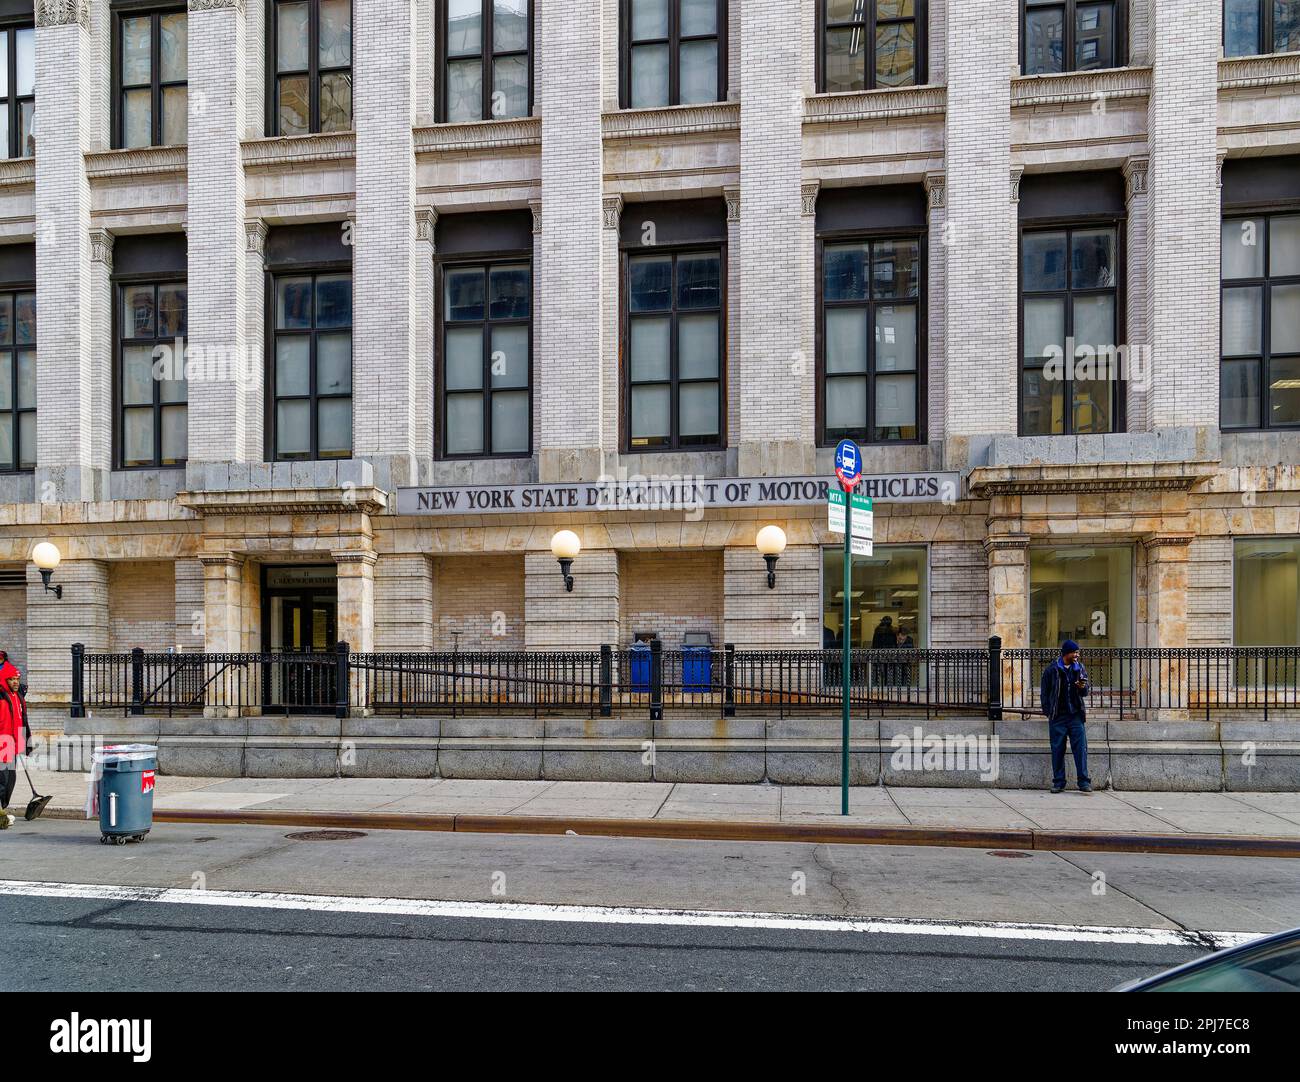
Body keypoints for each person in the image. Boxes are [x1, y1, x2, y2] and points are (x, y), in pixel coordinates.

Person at [1039, 639, 1091, 794]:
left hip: (1075, 715)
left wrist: (1082, 687)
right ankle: (1058, 782)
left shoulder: (1079, 668)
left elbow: (1085, 691)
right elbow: (1045, 693)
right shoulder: (1052, 670)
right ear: (1066, 653)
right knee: (1057, 750)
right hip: (1058, 716)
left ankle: (1083, 782)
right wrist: (1049, 712)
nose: (1077, 655)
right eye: (1074, 652)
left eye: (1077, 652)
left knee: (1080, 749)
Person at [0, 657, 30, 828]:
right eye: (12, 679)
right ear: (5, 680)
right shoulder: (1, 698)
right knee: (2, 780)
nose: (16, 682)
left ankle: (3, 808)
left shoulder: (18, 698)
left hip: (12, 745)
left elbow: (23, 721)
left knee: (10, 780)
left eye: (17, 679)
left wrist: (25, 742)